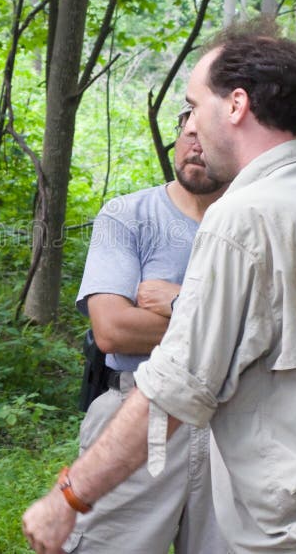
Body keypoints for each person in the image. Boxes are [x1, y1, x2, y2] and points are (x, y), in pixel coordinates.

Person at [22, 19, 296, 554]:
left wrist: (67, 498)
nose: (191, 126)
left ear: (234, 105)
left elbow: (176, 385)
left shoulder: (241, 217)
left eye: (194, 103)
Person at [66, 105, 227, 553]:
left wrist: (178, 302)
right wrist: (228, 320)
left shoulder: (255, 222)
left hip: (233, 421)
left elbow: (273, 325)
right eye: (187, 131)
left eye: (208, 134)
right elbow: (114, 331)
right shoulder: (129, 215)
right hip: (137, 412)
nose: (195, 143)